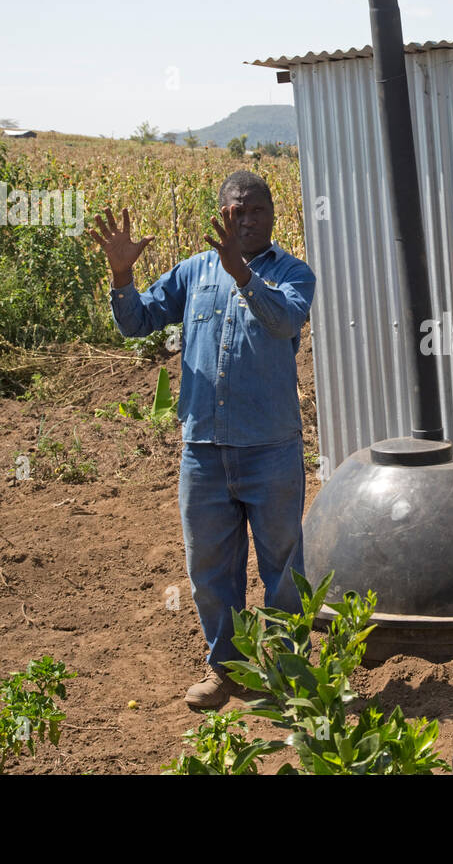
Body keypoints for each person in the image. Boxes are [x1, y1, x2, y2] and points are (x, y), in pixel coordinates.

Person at [89, 170, 315, 710]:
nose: (248, 219)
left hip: (270, 448)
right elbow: (137, 322)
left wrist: (244, 278)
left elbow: (285, 322)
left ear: (273, 215)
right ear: (223, 215)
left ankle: (287, 676)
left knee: (282, 568)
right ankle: (226, 670)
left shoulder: (293, 273)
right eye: (238, 211)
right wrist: (122, 277)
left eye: (258, 209)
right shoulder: (194, 271)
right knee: (210, 570)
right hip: (203, 451)